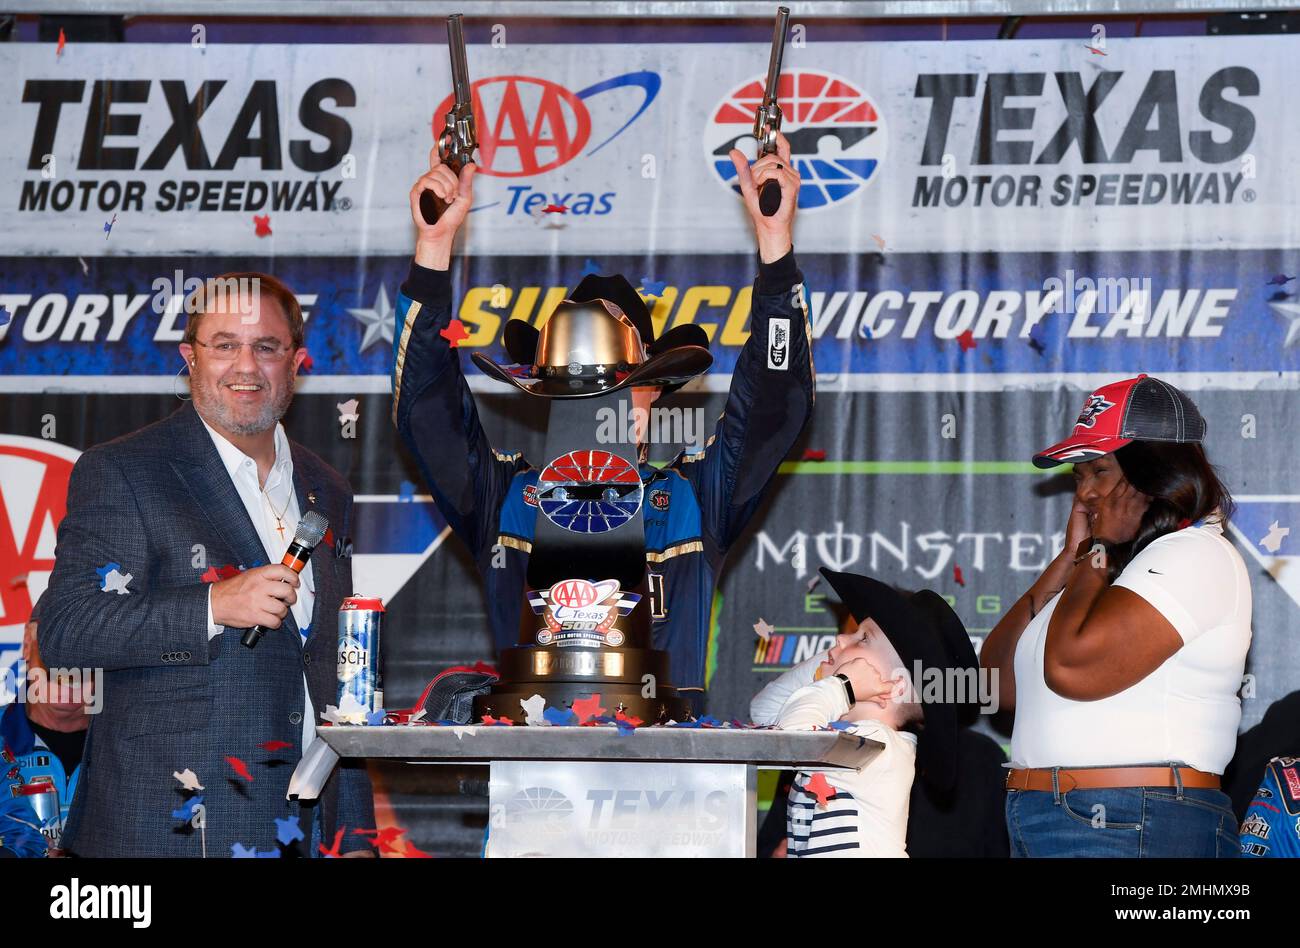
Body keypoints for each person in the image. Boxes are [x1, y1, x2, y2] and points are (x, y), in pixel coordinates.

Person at [390, 133, 815, 697]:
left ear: (657, 392)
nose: (600, 408)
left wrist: (776, 247)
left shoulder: (692, 498)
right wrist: (433, 251)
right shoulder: (506, 499)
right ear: (545, 395)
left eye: (621, 388)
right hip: (534, 772)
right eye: (579, 392)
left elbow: (772, 403)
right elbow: (428, 410)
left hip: (669, 774)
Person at [38, 273, 374, 857]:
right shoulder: (126, 470)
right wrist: (214, 606)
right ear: (190, 358)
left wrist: (357, 833)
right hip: (166, 831)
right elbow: (67, 629)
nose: (246, 366)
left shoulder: (328, 487)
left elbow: (337, 675)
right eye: (225, 345)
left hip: (303, 830)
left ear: (297, 362)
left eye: (266, 347)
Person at [980, 375, 1249, 858]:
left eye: (1099, 471)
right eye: (1078, 477)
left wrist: (1098, 548)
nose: (1084, 494)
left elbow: (1070, 669)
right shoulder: (1097, 576)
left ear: (1155, 473)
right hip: (1046, 817)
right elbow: (995, 686)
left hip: (1134, 819)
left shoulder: (1196, 554)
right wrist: (1068, 559)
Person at [750, 567, 981, 857]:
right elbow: (763, 711)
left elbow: (791, 740)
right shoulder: (845, 736)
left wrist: (843, 683)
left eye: (863, 638)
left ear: (894, 687)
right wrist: (835, 661)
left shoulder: (877, 748)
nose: (840, 639)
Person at [1, 615, 91, 855]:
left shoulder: (143, 749)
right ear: (28, 643)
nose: (69, 665)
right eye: (57, 637)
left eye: (88, 640)